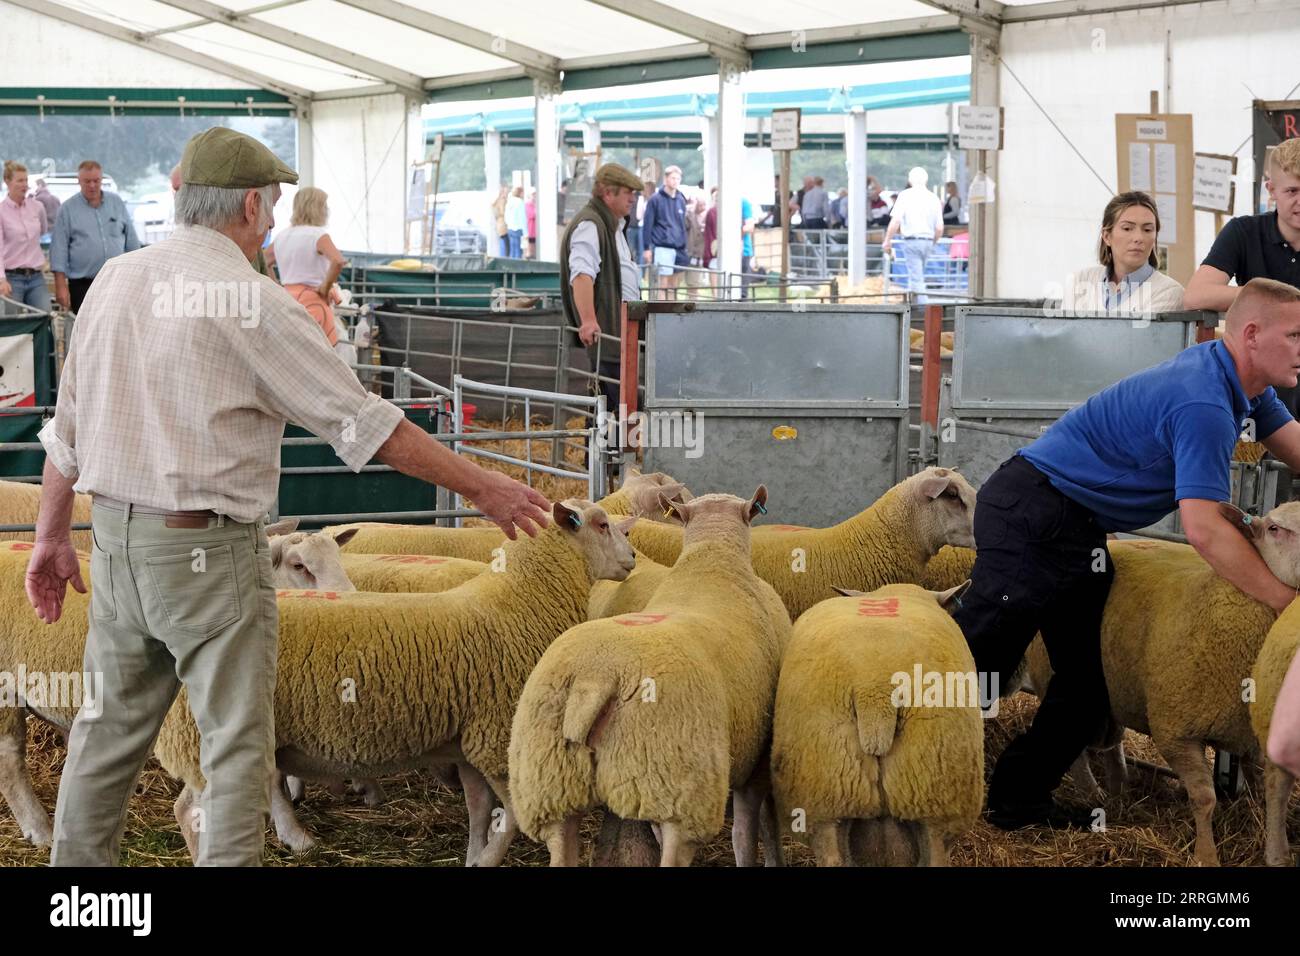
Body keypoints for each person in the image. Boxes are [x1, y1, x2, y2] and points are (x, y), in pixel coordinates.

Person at [27, 126, 549, 868]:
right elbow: (364, 424)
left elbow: (65, 433)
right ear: (247, 203)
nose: (271, 222)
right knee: (238, 744)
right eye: (268, 206)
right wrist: (485, 485)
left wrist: (51, 537)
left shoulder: (113, 279)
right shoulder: (254, 302)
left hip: (114, 544)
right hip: (207, 556)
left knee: (105, 732)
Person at [956, 276, 1300, 830]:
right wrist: (1287, 603)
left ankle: (1015, 802)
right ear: (1254, 335)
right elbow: (1205, 528)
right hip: (1031, 511)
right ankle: (898, 776)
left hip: (1077, 526)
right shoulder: (1205, 402)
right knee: (977, 664)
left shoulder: (1245, 388)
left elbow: (1294, 445)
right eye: (1297, 335)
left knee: (1088, 687)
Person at [559, 163, 645, 412]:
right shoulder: (591, 225)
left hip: (618, 328)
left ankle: (611, 450)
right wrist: (588, 320)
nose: (633, 198)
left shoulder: (611, 224)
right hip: (607, 330)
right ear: (608, 193)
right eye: (627, 192)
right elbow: (582, 274)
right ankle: (611, 450)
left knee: (613, 402)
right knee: (613, 401)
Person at [1185, 137, 1300, 312]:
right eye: (1292, 191)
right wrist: (1278, 297)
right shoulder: (1243, 232)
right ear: (1271, 190)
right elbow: (1196, 296)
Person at [1061, 191, 1185, 314]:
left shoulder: (1169, 292)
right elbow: (1064, 331)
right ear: (1107, 236)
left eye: (1147, 230)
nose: (1138, 238)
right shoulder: (1079, 281)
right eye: (1127, 228)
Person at [50, 160, 140, 314]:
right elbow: (59, 249)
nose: (92, 185)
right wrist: (60, 286)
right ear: (78, 181)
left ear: (101, 180)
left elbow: (131, 241)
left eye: (96, 180)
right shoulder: (67, 209)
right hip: (83, 284)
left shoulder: (116, 202)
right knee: (86, 331)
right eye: (87, 181)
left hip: (117, 281)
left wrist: (137, 273)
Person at [273, 186, 348, 348]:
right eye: (325, 206)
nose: (327, 210)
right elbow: (338, 261)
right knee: (322, 350)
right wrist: (325, 288)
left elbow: (264, 261)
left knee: (293, 349)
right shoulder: (318, 234)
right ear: (317, 208)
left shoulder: (281, 236)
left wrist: (277, 287)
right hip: (314, 300)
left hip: (287, 300)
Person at [882, 167, 944, 302]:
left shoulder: (905, 195)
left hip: (912, 240)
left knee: (916, 278)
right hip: (928, 240)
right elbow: (939, 228)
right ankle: (912, 306)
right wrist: (933, 241)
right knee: (916, 275)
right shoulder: (934, 198)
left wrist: (887, 240)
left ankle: (923, 311)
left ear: (910, 180)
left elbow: (896, 220)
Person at [0, 161, 51, 311]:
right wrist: (1, 280)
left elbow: (42, 231)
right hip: (11, 278)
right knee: (14, 325)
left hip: (36, 277)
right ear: (7, 182)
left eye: (26, 180)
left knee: (46, 317)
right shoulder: (1, 211)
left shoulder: (37, 207)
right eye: (20, 180)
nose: (25, 184)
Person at [642, 165, 688, 299]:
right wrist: (647, 248)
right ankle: (663, 312)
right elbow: (648, 225)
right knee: (663, 284)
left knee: (674, 285)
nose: (675, 181)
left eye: (678, 178)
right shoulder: (655, 199)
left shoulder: (681, 199)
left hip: (679, 247)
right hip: (662, 246)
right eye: (673, 178)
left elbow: (682, 225)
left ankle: (673, 313)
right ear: (666, 179)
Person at [685, 196, 708, 298]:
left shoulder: (707, 217)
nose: (701, 207)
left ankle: (691, 303)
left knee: (693, 284)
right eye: (699, 205)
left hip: (698, 255)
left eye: (703, 205)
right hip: (686, 252)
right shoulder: (689, 215)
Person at [505, 185, 526, 258]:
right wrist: (525, 232)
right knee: (518, 250)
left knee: (512, 249)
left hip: (510, 228)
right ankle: (518, 267)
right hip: (518, 228)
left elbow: (506, 216)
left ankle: (511, 266)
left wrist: (508, 224)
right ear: (520, 193)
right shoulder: (520, 202)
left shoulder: (509, 201)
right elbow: (522, 217)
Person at [490, 185, 509, 257]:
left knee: (504, 242)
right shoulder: (501, 201)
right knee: (505, 243)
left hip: (501, 224)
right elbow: (503, 212)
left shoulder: (497, 202)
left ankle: (504, 257)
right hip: (503, 224)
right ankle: (505, 258)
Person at [525, 187, 538, 259]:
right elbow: (531, 215)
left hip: (536, 230)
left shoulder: (536, 204)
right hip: (531, 228)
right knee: (530, 244)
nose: (534, 196)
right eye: (533, 194)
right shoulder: (528, 204)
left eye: (535, 194)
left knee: (535, 244)